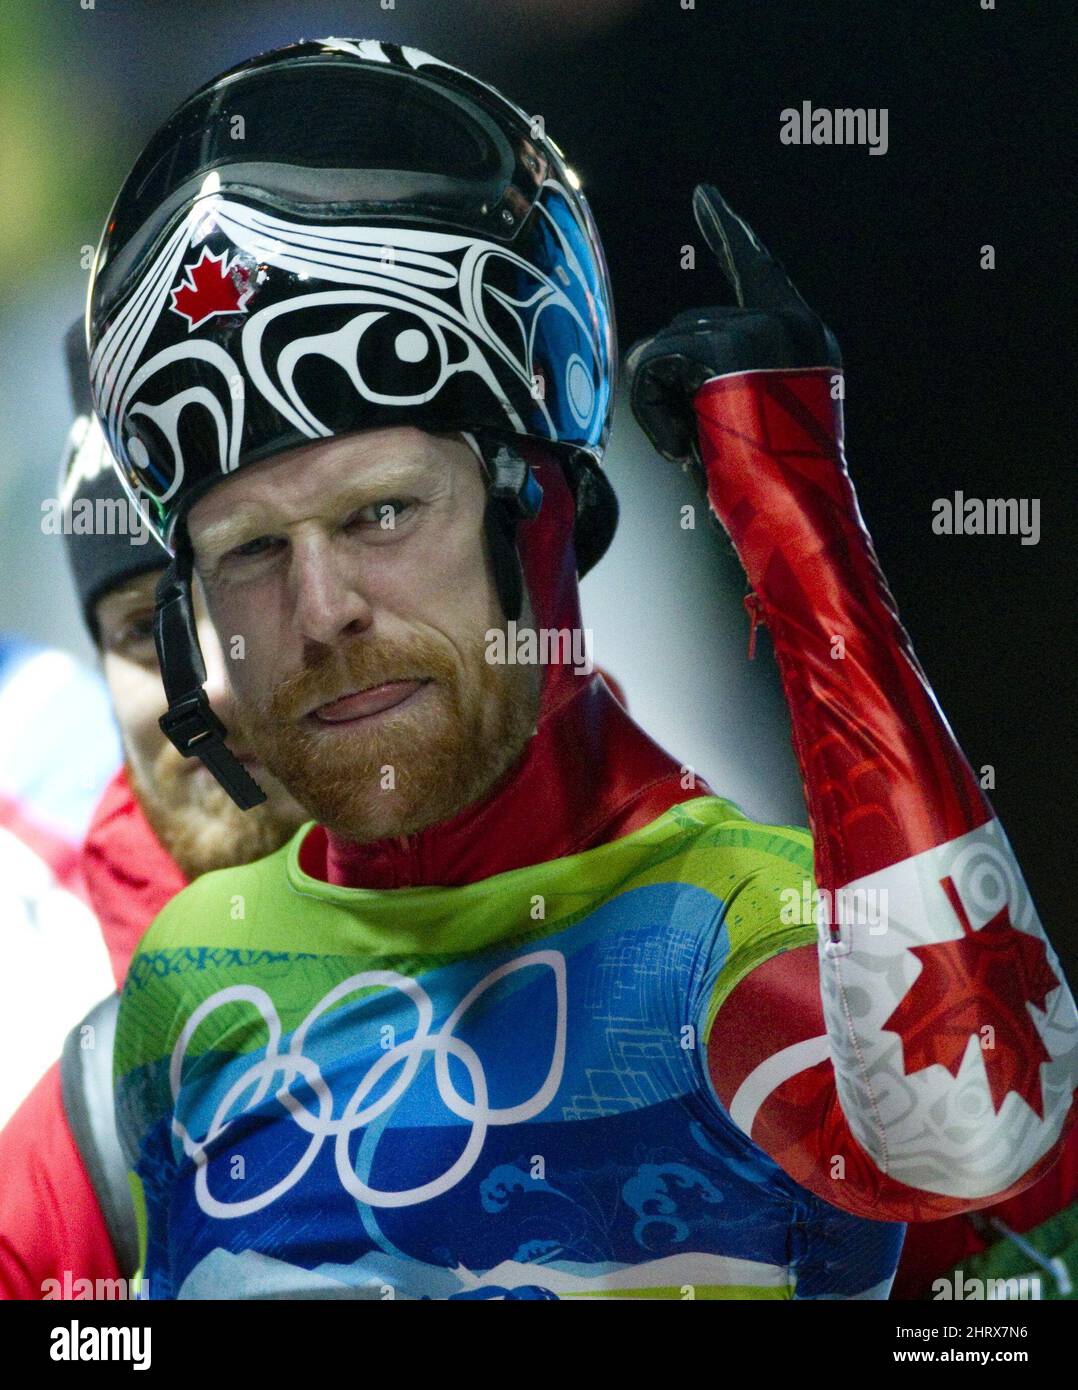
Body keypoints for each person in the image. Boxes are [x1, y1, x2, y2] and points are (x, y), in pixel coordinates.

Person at [85, 38, 1076, 1300]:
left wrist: (799, 524)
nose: (320, 610)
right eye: (250, 552)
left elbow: (976, 1139)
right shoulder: (184, 982)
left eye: (385, 513)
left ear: (549, 516)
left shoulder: (742, 930)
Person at [0, 323, 307, 1299]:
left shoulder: (604, 914)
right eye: (144, 629)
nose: (207, 684)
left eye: (246, 590)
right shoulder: (80, 1120)